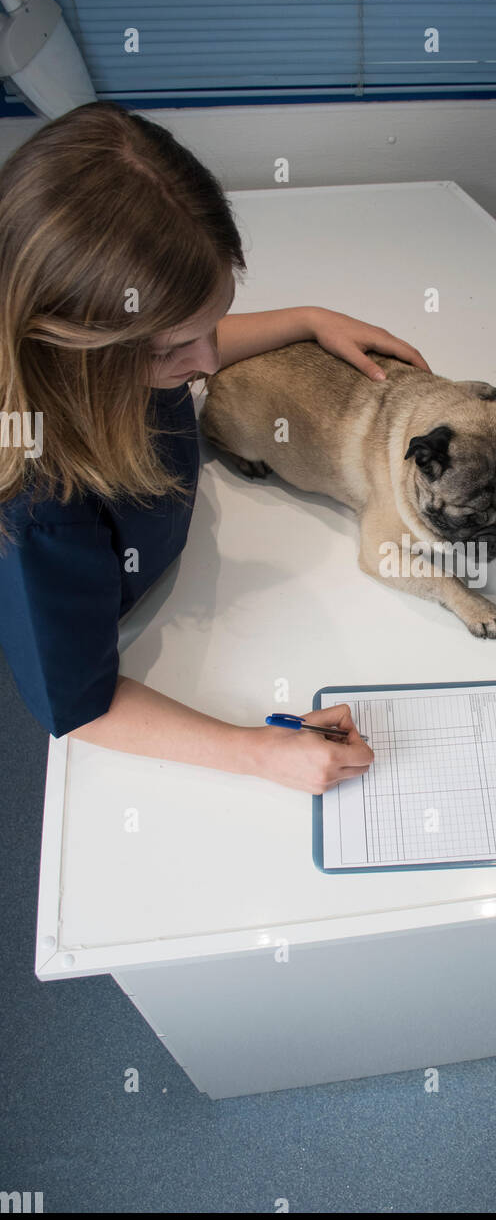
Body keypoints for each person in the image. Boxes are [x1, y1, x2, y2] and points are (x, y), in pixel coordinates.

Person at [0, 100, 433, 793]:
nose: (208, 362)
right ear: (77, 353)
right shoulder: (36, 503)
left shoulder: (120, 356)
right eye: (176, 348)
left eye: (217, 321)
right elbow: (77, 705)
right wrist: (258, 753)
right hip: (146, 632)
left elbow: (187, 342)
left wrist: (306, 320)